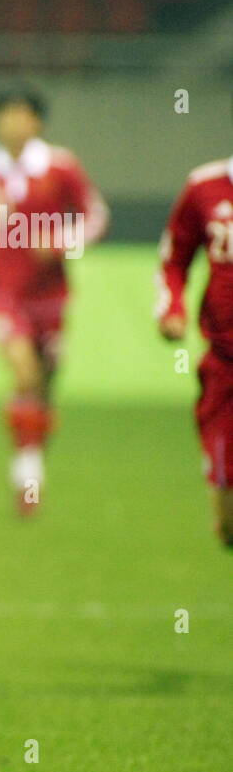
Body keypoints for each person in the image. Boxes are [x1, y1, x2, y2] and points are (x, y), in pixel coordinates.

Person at [0, 86, 108, 515]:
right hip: (5, 294)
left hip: (51, 295)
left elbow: (95, 214)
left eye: (22, 115)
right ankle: (27, 479)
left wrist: (65, 241)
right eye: (6, 115)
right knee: (25, 373)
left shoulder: (60, 167)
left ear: (38, 122)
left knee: (45, 389)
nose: (13, 123)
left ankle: (30, 458)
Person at [157, 153, 233, 546]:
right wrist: (171, 308)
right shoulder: (205, 186)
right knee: (228, 525)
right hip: (224, 364)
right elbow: (174, 258)